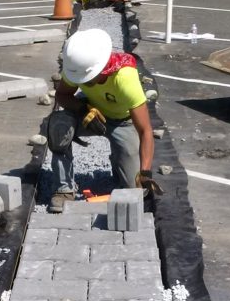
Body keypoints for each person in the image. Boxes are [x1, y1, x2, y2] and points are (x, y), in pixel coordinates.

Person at [47, 28, 155, 213]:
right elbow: (62, 95)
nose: (83, 82)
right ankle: (64, 189)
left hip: (123, 122)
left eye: (87, 78)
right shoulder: (78, 67)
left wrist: (145, 172)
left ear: (102, 67)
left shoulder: (125, 79)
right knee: (59, 125)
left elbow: (145, 130)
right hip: (92, 112)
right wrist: (83, 110)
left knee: (134, 190)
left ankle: (119, 160)